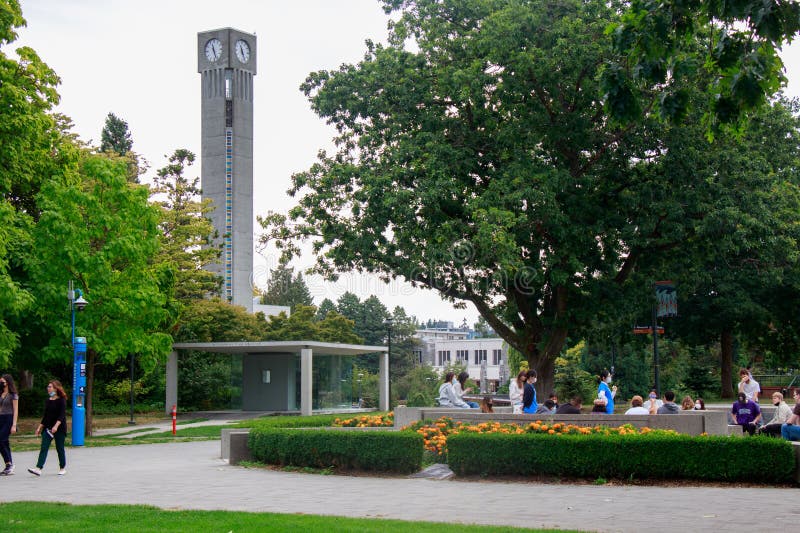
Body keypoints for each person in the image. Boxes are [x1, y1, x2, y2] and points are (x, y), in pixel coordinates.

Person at [28, 380, 68, 476]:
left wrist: (56, 426)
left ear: (55, 388)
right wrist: (39, 427)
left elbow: (61, 415)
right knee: (44, 447)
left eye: (50, 387)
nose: (48, 388)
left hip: (59, 428)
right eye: (48, 387)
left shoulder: (61, 400)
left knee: (60, 448)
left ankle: (62, 468)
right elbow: (46, 416)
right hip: (48, 428)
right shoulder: (48, 401)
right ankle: (38, 468)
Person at [0, 374, 19, 475]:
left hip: (9, 418)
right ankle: (9, 465)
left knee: (1, 440)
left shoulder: (13, 395)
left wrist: (14, 425)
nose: (1, 383)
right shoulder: (1, 393)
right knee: (4, 442)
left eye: (2, 381)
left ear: (7, 382)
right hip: (1, 418)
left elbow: (16, 410)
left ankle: (9, 464)